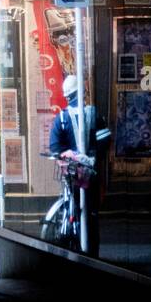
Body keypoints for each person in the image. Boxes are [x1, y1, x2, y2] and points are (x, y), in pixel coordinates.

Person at [48, 74, 109, 255]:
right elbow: (104, 140)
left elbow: (55, 147)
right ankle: (92, 253)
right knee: (91, 213)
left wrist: (66, 158)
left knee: (73, 203)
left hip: (72, 173)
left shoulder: (61, 119)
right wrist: (93, 157)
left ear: (67, 96)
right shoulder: (93, 113)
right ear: (81, 93)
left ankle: (70, 238)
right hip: (90, 173)